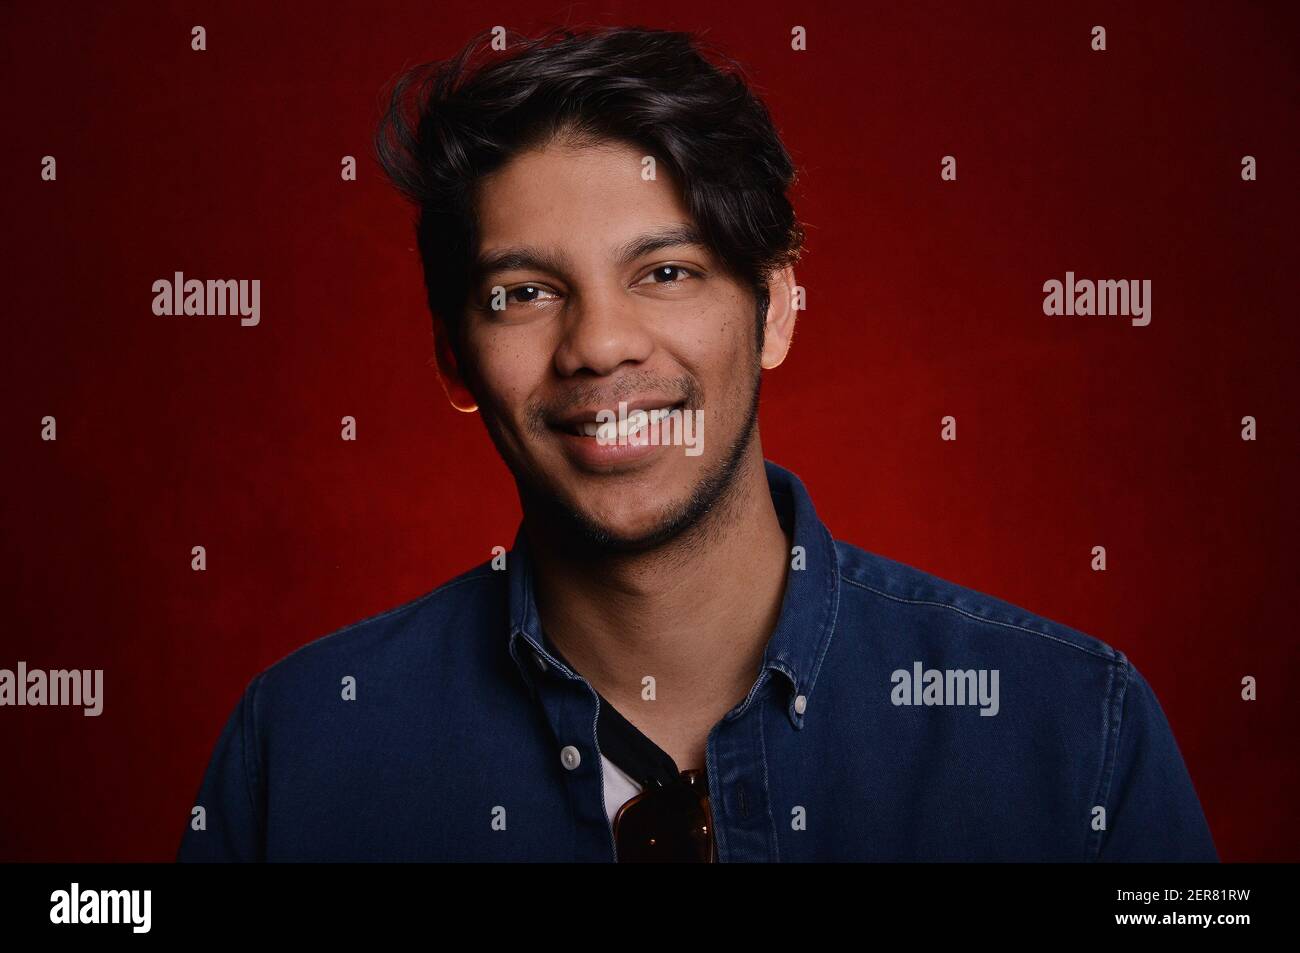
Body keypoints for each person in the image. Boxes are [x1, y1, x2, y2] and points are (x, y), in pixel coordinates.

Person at [177, 25, 1217, 862]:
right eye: (525, 292)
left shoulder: (1071, 729)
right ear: (457, 360)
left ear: (775, 311)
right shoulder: (304, 749)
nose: (600, 344)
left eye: (666, 272)